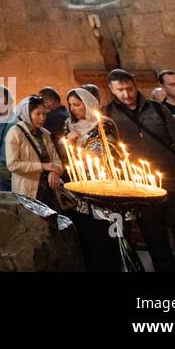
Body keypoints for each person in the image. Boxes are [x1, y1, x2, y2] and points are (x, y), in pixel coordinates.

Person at [107, 68, 175, 270]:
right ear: (112, 90)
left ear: (135, 86)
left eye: (129, 88)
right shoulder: (108, 115)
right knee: (155, 238)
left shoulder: (157, 109)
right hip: (141, 188)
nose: (126, 94)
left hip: (171, 182)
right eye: (120, 90)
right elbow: (110, 152)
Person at [59, 87, 123, 270]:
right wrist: (70, 145)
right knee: (88, 234)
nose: (73, 109)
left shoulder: (104, 124)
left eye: (77, 105)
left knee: (108, 233)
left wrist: (79, 150)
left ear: (88, 104)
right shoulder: (68, 125)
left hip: (103, 185)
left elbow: (105, 153)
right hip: (79, 188)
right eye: (70, 105)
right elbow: (64, 156)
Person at [4, 95, 65, 208]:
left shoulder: (45, 134)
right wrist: (43, 166)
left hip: (50, 192)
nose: (42, 118)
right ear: (27, 114)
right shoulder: (15, 133)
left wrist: (55, 171)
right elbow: (12, 165)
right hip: (28, 191)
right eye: (38, 114)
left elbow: (56, 160)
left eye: (44, 114)